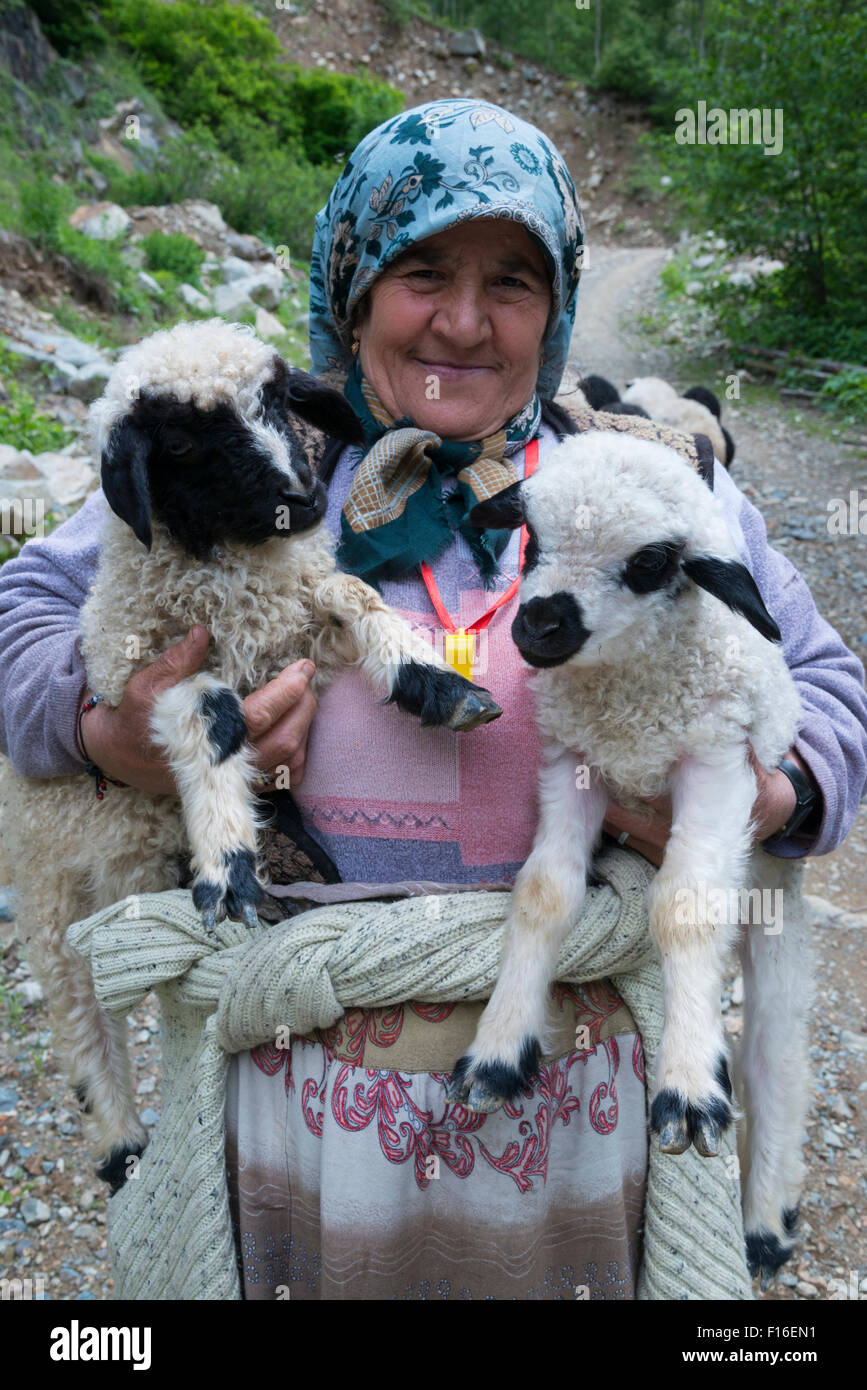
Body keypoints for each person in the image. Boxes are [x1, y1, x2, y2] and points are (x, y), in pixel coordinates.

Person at [1, 99, 865, 1301]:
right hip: (309, 1100)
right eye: (422, 272)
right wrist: (111, 732)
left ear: (557, 309)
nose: (464, 320)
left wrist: (763, 798)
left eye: (512, 280)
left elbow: (827, 685)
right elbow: (23, 609)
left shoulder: (638, 480)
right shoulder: (256, 454)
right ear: (354, 288)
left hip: (580, 1099)